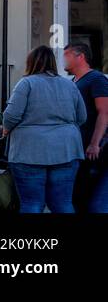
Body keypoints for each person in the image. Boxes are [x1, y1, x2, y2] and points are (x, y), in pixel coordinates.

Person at [2, 45, 86, 213]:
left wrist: (6, 130)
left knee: (32, 204)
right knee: (62, 204)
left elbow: (11, 116)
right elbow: (82, 117)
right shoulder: (70, 85)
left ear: (30, 62)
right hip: (66, 150)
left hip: (29, 152)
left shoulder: (26, 84)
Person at [64, 42, 108, 213]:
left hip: (92, 151)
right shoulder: (73, 82)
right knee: (77, 196)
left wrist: (95, 143)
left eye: (67, 55)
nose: (64, 60)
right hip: (76, 149)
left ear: (80, 57)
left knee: (90, 198)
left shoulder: (96, 79)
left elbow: (104, 112)